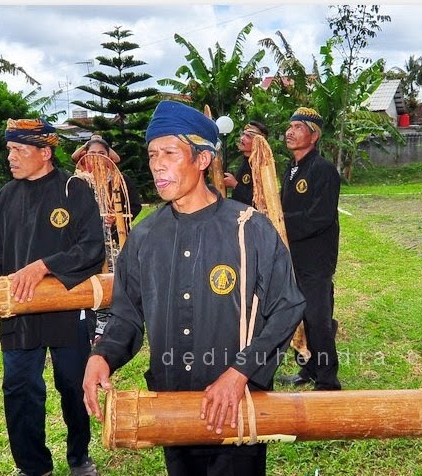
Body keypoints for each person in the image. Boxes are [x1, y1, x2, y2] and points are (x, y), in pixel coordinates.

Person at [82, 100, 306, 476]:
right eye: (153, 154)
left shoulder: (248, 228)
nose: (157, 164)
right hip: (171, 405)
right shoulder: (146, 237)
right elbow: (126, 315)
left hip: (236, 406)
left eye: (169, 152)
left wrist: (240, 374)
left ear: (202, 159)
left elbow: (287, 307)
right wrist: (102, 355)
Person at [0, 117, 104, 476]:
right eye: (9, 149)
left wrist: (44, 266)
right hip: (19, 310)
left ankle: (79, 458)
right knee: (20, 388)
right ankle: (33, 467)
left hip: (68, 306)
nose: (11, 157)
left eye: (20, 150)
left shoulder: (74, 190)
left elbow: (91, 248)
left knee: (73, 385)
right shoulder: (5, 197)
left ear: (45, 153)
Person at [276, 107, 342, 391]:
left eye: (298, 127)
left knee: (317, 317)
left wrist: (280, 223)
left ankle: (328, 380)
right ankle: (308, 369)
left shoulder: (323, 170)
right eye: (289, 127)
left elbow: (320, 216)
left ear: (313, 136)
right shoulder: (291, 169)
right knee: (298, 316)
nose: (290, 132)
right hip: (293, 255)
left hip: (316, 257)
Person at [71, 134, 143, 342]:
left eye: (101, 154)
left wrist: (117, 218)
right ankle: (96, 325)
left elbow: (134, 207)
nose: (96, 158)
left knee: (115, 280)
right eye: (92, 153)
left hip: (114, 242)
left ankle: (117, 323)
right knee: (93, 280)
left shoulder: (120, 179)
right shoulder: (80, 180)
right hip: (86, 243)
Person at [223, 121, 270, 206]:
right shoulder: (244, 162)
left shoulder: (261, 167)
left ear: (258, 142)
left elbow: (258, 201)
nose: (242, 138)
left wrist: (235, 185)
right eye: (243, 134)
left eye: (248, 136)